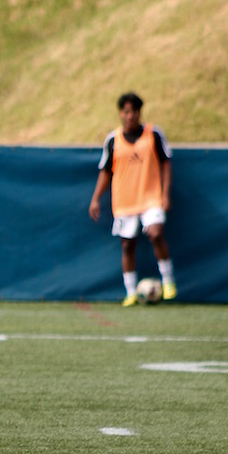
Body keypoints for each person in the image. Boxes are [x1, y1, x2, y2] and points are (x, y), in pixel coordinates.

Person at [89, 92, 177, 306]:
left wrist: (165, 194)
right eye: (126, 111)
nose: (130, 116)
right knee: (127, 245)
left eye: (134, 111)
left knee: (155, 234)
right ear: (121, 113)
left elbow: (166, 163)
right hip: (125, 201)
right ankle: (130, 292)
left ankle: (168, 281)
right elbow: (105, 171)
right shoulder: (113, 139)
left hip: (151, 198)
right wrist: (95, 199)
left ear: (139, 113)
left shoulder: (153, 134)